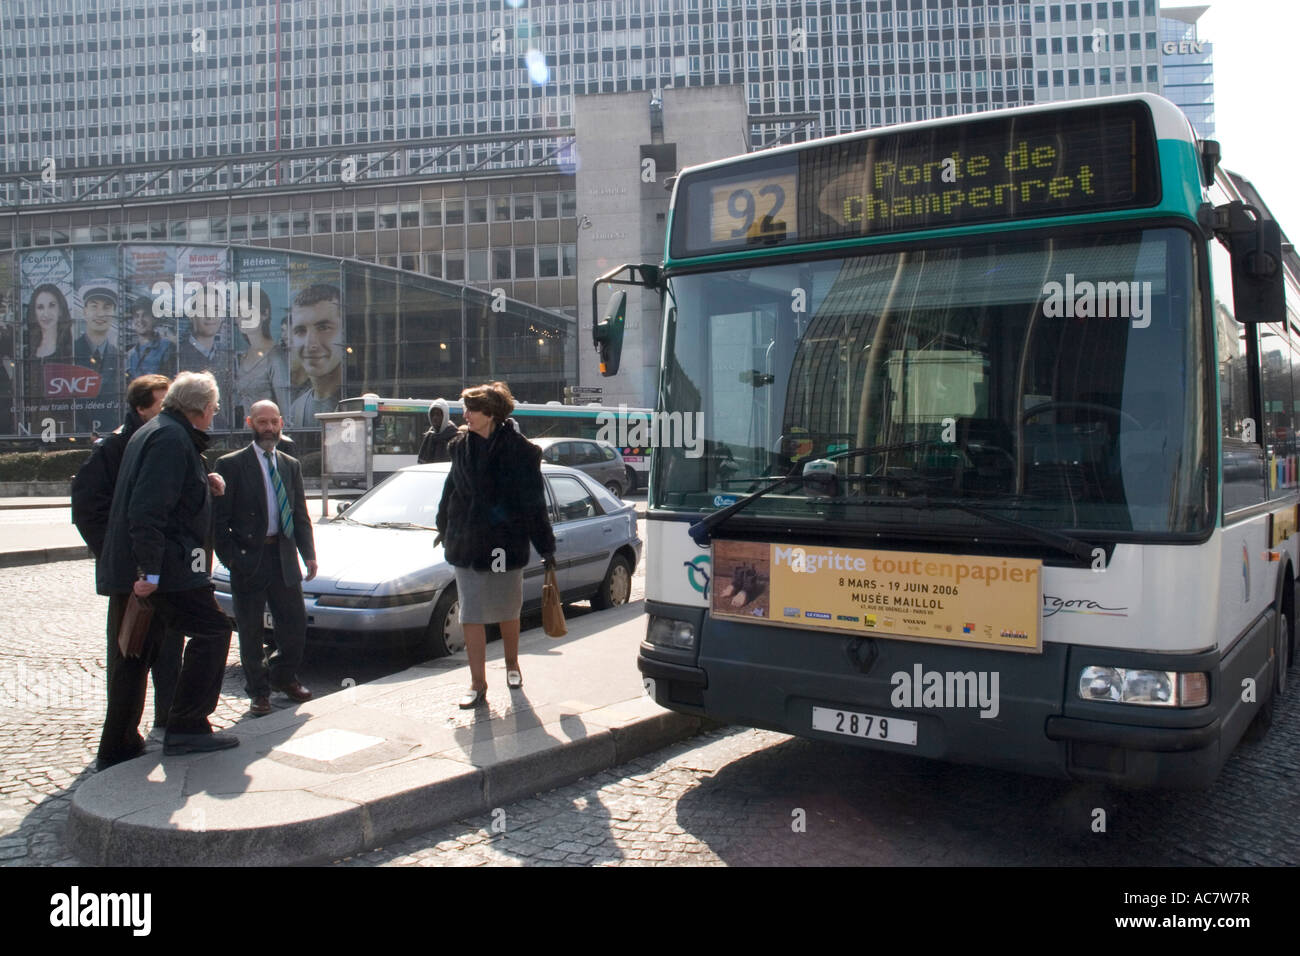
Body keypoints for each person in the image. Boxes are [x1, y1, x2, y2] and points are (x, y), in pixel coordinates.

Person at [95, 371, 238, 767]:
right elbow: (147, 509)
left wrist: (200, 482)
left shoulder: (159, 430)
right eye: (214, 408)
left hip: (156, 567)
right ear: (202, 408)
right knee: (214, 629)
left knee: (136, 655)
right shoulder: (172, 438)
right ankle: (187, 725)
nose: (214, 415)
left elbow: (160, 493)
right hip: (165, 570)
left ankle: (119, 744)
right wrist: (148, 573)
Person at [72, 374, 186, 743]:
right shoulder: (116, 447)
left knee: (170, 650)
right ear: (140, 407)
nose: (169, 410)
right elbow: (87, 507)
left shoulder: (166, 438)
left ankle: (171, 718)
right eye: (161, 403)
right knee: (129, 653)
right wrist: (117, 553)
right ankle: (121, 737)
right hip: (129, 577)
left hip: (166, 570)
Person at [435, 381, 556, 709]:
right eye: (465, 409)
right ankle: (477, 683)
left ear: (491, 413)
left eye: (472, 409)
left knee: (506, 609)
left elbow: (534, 502)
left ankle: (512, 664)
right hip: (467, 543)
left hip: (504, 542)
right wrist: (443, 527)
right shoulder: (459, 446)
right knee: (470, 614)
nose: (466, 415)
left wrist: (546, 546)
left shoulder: (521, 451)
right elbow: (451, 491)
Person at [213, 400, 317, 717]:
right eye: (262, 422)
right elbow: (218, 522)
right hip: (249, 559)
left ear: (282, 422)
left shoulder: (289, 464)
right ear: (250, 423)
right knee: (251, 631)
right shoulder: (230, 464)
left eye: (274, 421)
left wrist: (308, 554)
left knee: (295, 626)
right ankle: (258, 692)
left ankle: (283, 677)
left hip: (284, 557)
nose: (269, 428)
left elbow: (300, 513)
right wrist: (233, 559)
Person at [285, 284, 344, 429]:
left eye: (323, 328)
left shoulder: (359, 402)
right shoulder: (295, 409)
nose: (310, 344)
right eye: (300, 330)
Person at [124, 297, 175, 379]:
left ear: (154, 319)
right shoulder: (131, 354)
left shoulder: (166, 347)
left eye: (145, 315)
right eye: (136, 316)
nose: (140, 320)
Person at [26, 283, 73, 361]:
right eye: (40, 307)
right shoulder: (27, 350)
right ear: (34, 312)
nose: (46, 314)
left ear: (60, 310)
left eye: (52, 305)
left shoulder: (71, 348)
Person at [416, 399, 457, 463]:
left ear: (445, 416)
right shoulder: (429, 437)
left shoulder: (455, 437)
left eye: (438, 414)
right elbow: (422, 463)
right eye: (432, 414)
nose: (434, 418)